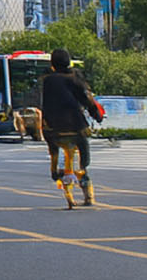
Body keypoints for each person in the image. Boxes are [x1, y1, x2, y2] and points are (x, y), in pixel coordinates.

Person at [39, 48, 105, 205]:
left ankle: (55, 170)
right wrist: (97, 115)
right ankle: (86, 188)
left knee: (54, 148)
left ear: (53, 64)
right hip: (75, 126)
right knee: (83, 155)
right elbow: (87, 99)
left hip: (52, 128)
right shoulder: (74, 78)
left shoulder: (47, 80)